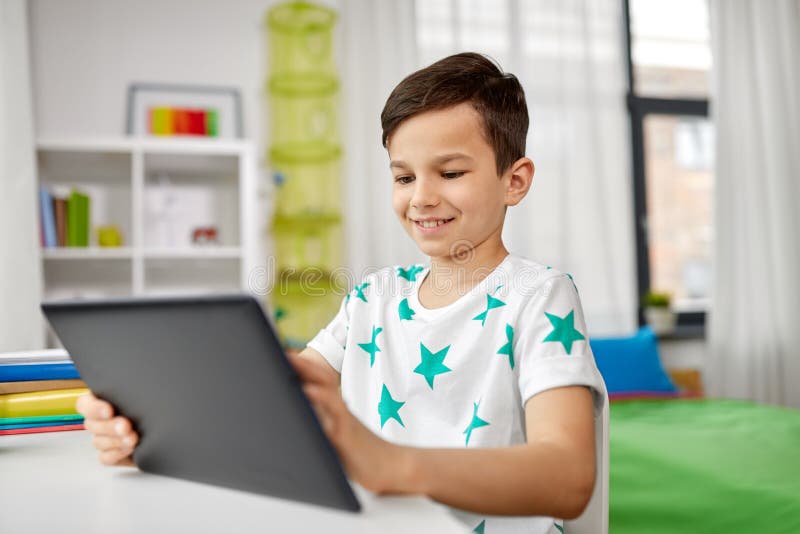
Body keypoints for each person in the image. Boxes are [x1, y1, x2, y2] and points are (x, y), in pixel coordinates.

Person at [77, 52, 606, 534]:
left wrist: (392, 464)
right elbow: (275, 402)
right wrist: (157, 434)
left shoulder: (538, 296)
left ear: (514, 181)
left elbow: (568, 476)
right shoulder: (373, 298)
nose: (421, 197)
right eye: (403, 178)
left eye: (449, 172)